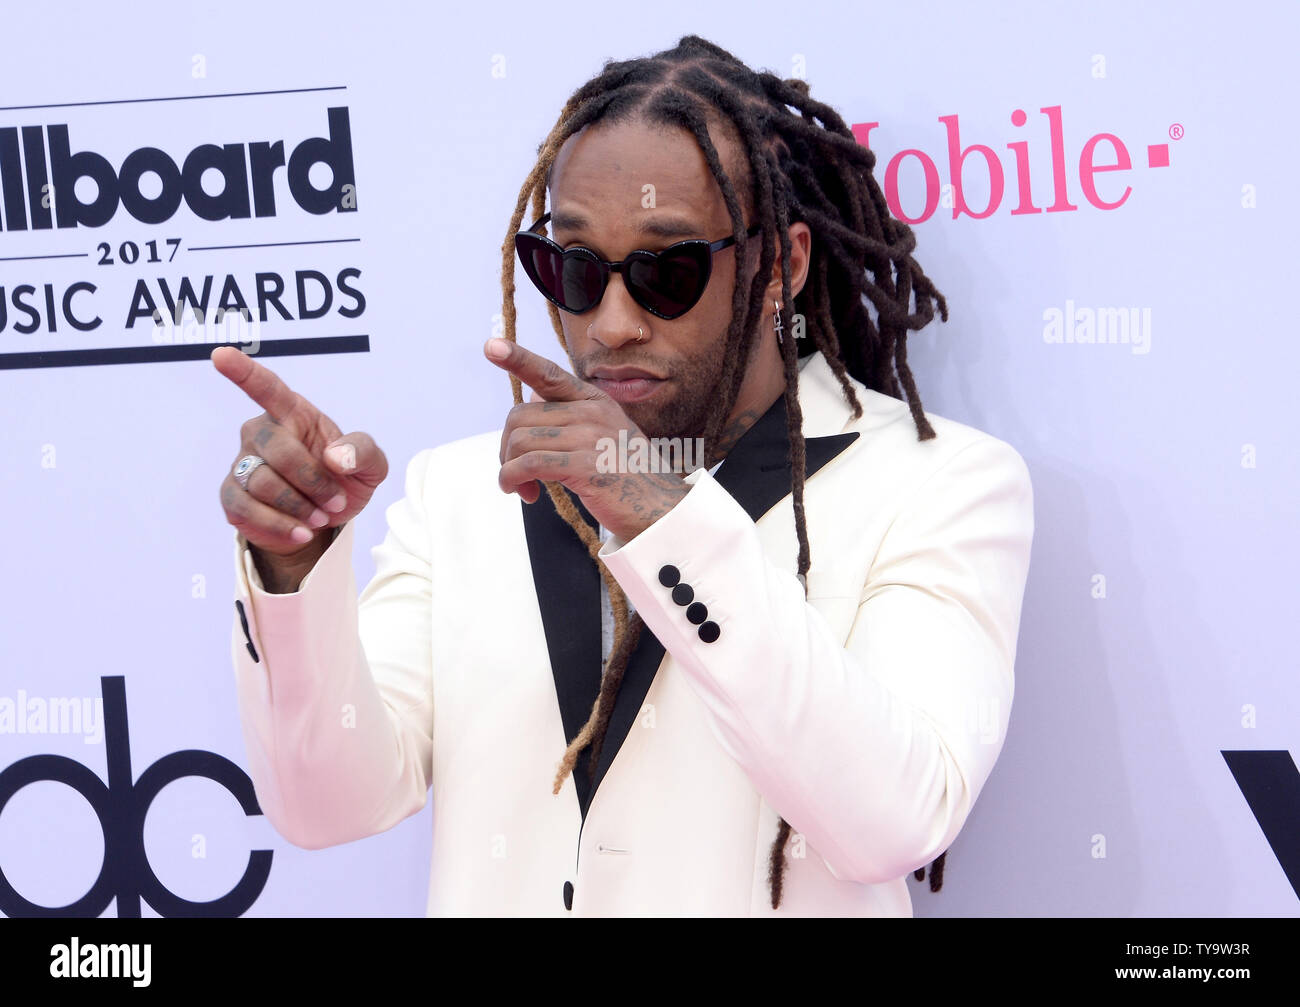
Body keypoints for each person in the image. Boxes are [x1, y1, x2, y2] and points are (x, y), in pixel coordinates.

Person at [213, 34, 1034, 916]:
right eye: (572, 268)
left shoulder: (943, 483)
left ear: (781, 267)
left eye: (666, 271)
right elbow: (326, 804)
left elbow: (894, 822)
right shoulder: (460, 493)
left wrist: (657, 514)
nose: (610, 324)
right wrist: (293, 569)